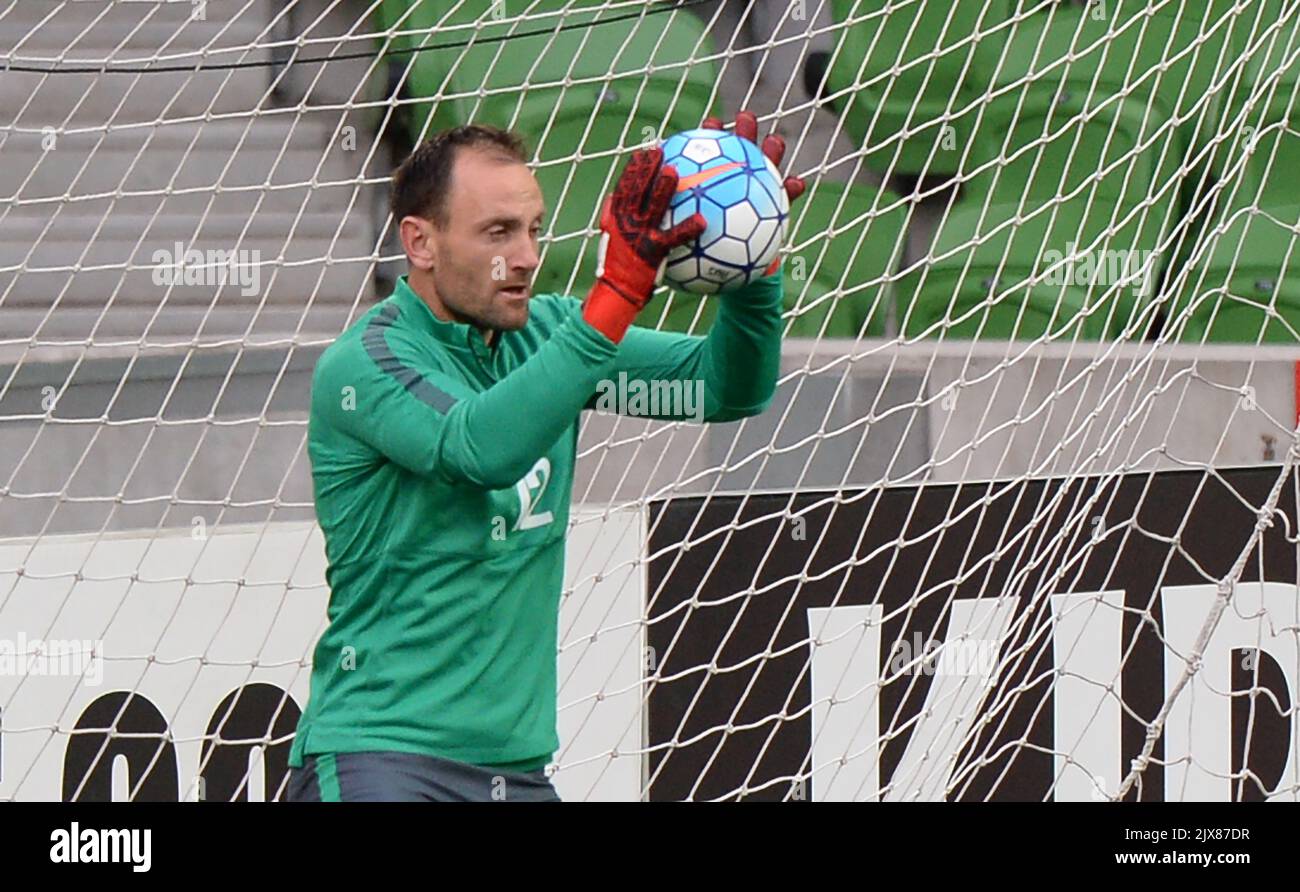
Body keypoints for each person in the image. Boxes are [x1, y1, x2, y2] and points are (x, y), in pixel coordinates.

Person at [285, 109, 807, 801]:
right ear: (420, 242)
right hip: (383, 763)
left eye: (533, 228)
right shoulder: (364, 365)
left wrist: (752, 268)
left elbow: (728, 388)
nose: (527, 254)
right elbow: (478, 447)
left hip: (519, 775)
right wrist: (616, 294)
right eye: (498, 232)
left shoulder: (554, 336)